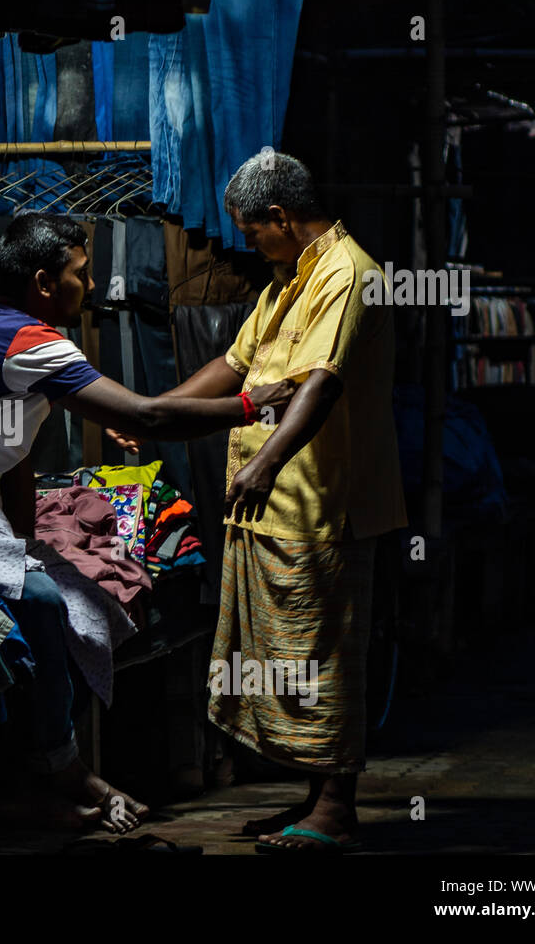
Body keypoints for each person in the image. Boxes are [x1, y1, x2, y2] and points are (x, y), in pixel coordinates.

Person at [0, 213, 294, 833]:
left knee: (36, 582)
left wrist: (21, 547)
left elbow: (15, 460)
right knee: (42, 601)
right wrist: (255, 404)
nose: (92, 285)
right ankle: (62, 772)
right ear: (44, 281)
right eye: (80, 273)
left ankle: (31, 781)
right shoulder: (31, 344)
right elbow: (148, 417)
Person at [115, 152, 408, 852]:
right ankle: (313, 799)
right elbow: (238, 365)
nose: (248, 241)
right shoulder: (286, 282)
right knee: (285, 656)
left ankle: (335, 807)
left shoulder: (349, 275)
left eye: (251, 230)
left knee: (326, 656)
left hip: (322, 503)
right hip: (271, 508)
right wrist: (154, 410)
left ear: (281, 217)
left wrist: (267, 464)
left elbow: (323, 382)